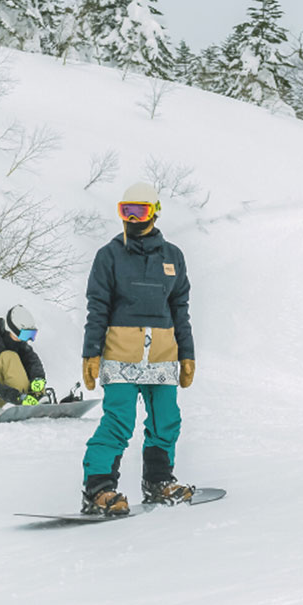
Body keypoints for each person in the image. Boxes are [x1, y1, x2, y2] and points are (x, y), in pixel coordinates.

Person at [79, 182, 196, 515]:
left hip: (162, 355)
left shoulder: (173, 257)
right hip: (120, 354)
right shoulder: (109, 255)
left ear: (155, 212)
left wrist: (187, 353)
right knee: (119, 421)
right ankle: (99, 488)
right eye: (125, 210)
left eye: (139, 211)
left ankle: (158, 482)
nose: (131, 218)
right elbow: (97, 306)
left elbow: (180, 309)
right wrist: (91, 352)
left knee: (166, 420)